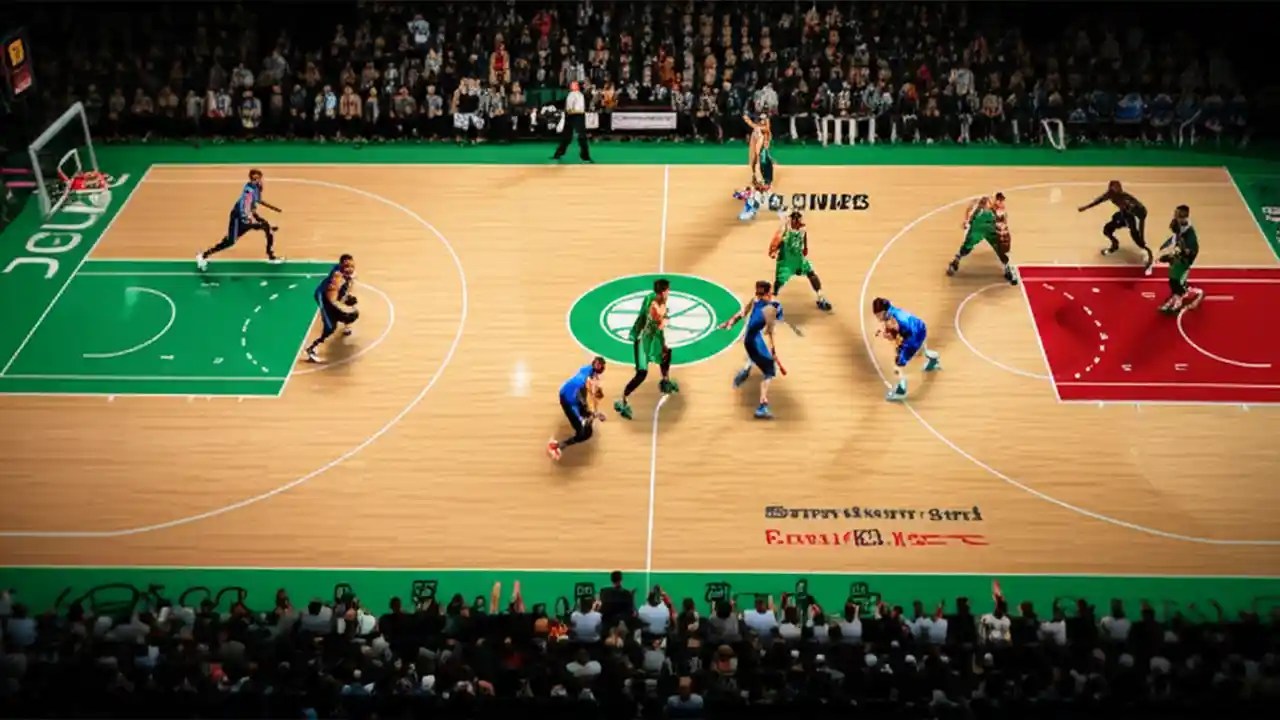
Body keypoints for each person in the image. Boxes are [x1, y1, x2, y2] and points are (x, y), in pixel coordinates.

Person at [614, 279, 678, 419]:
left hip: (652, 338)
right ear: (662, 292)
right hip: (643, 341)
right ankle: (623, 400)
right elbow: (659, 324)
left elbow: (647, 317)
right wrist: (665, 320)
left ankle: (665, 381)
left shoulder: (652, 297)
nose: (669, 292)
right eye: (667, 290)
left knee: (667, 354)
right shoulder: (656, 308)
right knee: (641, 374)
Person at [719, 280, 783, 419]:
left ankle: (747, 369)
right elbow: (770, 333)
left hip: (751, 338)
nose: (771, 294)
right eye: (770, 292)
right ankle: (762, 406)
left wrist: (729, 322)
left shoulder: (755, 300)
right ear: (767, 293)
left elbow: (742, 313)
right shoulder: (770, 310)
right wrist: (773, 351)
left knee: (758, 357)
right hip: (753, 341)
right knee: (769, 371)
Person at [197, 168, 279, 270]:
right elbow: (245, 206)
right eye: (256, 179)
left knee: (267, 228)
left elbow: (257, 200)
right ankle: (203, 255)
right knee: (230, 242)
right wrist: (250, 219)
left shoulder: (258, 187)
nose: (258, 180)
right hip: (239, 217)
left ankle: (271, 255)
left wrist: (265, 209)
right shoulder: (249, 191)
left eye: (259, 178)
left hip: (249, 215)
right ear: (252, 179)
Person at [872, 297, 941, 402]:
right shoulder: (892, 312)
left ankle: (901, 391)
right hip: (920, 327)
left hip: (912, 336)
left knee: (898, 363)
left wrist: (898, 347)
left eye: (878, 315)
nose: (877, 317)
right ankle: (933, 359)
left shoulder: (892, 320)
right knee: (920, 350)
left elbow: (899, 336)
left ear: (884, 312)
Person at [1077, 180, 1153, 274]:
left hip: (1132, 218)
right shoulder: (1110, 194)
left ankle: (1149, 262)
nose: (1117, 190)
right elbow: (1098, 201)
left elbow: (1142, 214)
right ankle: (1115, 244)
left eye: (1118, 188)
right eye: (1114, 188)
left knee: (1140, 241)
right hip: (1123, 215)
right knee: (1107, 230)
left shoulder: (1127, 199)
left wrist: (1141, 234)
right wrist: (1085, 207)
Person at [948, 193, 1018, 285]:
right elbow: (971, 207)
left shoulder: (1001, 210)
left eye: (1002, 201)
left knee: (1001, 249)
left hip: (991, 230)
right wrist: (967, 221)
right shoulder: (983, 202)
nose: (1000, 203)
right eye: (999, 200)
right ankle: (955, 261)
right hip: (978, 228)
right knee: (967, 246)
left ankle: (1008, 268)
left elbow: (1004, 221)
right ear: (995, 199)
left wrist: (1002, 231)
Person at [770, 210, 832, 311]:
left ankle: (821, 298)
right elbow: (776, 240)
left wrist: (805, 247)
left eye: (800, 219)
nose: (799, 222)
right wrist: (773, 251)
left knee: (811, 274)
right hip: (786, 261)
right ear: (792, 220)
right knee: (779, 282)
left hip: (799, 258)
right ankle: (772, 299)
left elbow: (804, 236)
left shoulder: (802, 228)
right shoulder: (785, 230)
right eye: (797, 220)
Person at [548, 356, 607, 460]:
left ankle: (560, 445)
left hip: (566, 392)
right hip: (568, 403)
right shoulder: (585, 395)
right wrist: (595, 415)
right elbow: (586, 412)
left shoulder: (587, 370)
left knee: (587, 423)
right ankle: (557, 446)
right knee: (585, 434)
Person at [304, 254, 358, 363]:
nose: (350, 268)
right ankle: (311, 349)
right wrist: (343, 307)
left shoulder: (349, 275)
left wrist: (346, 298)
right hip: (323, 297)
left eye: (352, 266)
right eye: (347, 266)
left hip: (335, 296)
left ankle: (346, 323)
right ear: (341, 266)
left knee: (352, 311)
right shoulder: (337, 278)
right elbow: (331, 299)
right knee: (330, 327)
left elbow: (348, 287)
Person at [1158, 204, 1203, 314]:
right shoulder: (1177, 225)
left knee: (1176, 280)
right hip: (1179, 253)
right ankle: (1175, 296)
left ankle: (1185, 296)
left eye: (1177, 214)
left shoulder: (1190, 234)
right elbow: (1175, 237)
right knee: (1172, 279)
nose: (1174, 215)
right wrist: (1166, 246)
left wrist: (1172, 256)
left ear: (1183, 216)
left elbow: (1188, 251)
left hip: (1187, 256)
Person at [551, 81, 592, 162]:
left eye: (575, 84)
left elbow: (587, 95)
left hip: (579, 115)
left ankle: (585, 155)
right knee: (567, 136)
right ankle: (559, 153)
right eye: (572, 84)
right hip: (570, 115)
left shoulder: (581, 94)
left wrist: (588, 87)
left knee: (582, 136)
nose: (574, 85)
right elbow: (568, 106)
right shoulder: (570, 94)